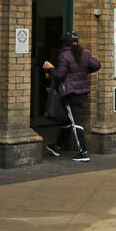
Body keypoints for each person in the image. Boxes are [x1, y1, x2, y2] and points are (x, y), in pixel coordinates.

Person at [43, 32, 100, 163]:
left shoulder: (64, 55)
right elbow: (97, 65)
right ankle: (57, 147)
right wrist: (83, 73)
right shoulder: (84, 53)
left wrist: (51, 68)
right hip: (82, 92)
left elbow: (59, 75)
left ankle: (83, 151)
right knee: (69, 120)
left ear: (65, 43)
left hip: (70, 93)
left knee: (75, 122)